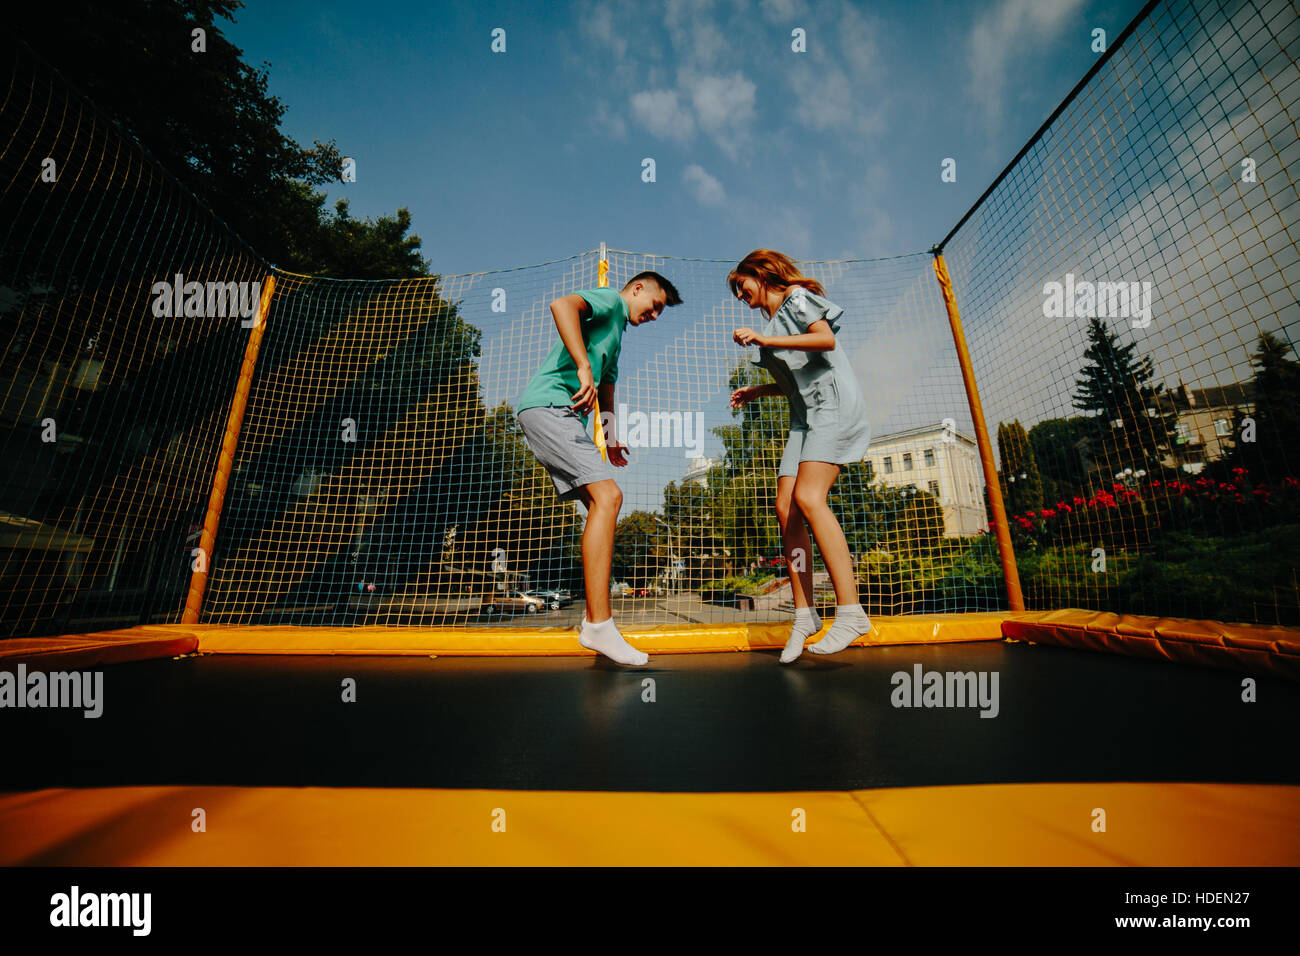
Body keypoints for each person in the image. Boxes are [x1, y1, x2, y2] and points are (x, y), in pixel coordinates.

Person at [516, 271, 682, 665]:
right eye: (655, 305)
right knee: (610, 496)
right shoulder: (610, 301)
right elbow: (562, 305)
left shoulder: (616, 334)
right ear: (637, 289)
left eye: (661, 312)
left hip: (557, 414)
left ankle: (598, 624)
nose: (655, 315)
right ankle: (598, 625)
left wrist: (610, 437)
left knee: (601, 503)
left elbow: (607, 389)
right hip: (549, 407)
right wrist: (582, 367)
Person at [727, 249, 873, 663]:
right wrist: (758, 390)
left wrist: (766, 339)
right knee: (786, 508)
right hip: (803, 418)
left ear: (760, 273)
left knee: (809, 499)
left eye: (743, 285)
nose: (740, 294)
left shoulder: (795, 299)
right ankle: (805, 613)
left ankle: (850, 613)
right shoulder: (772, 326)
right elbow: (796, 382)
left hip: (833, 406)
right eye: (737, 290)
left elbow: (824, 339)